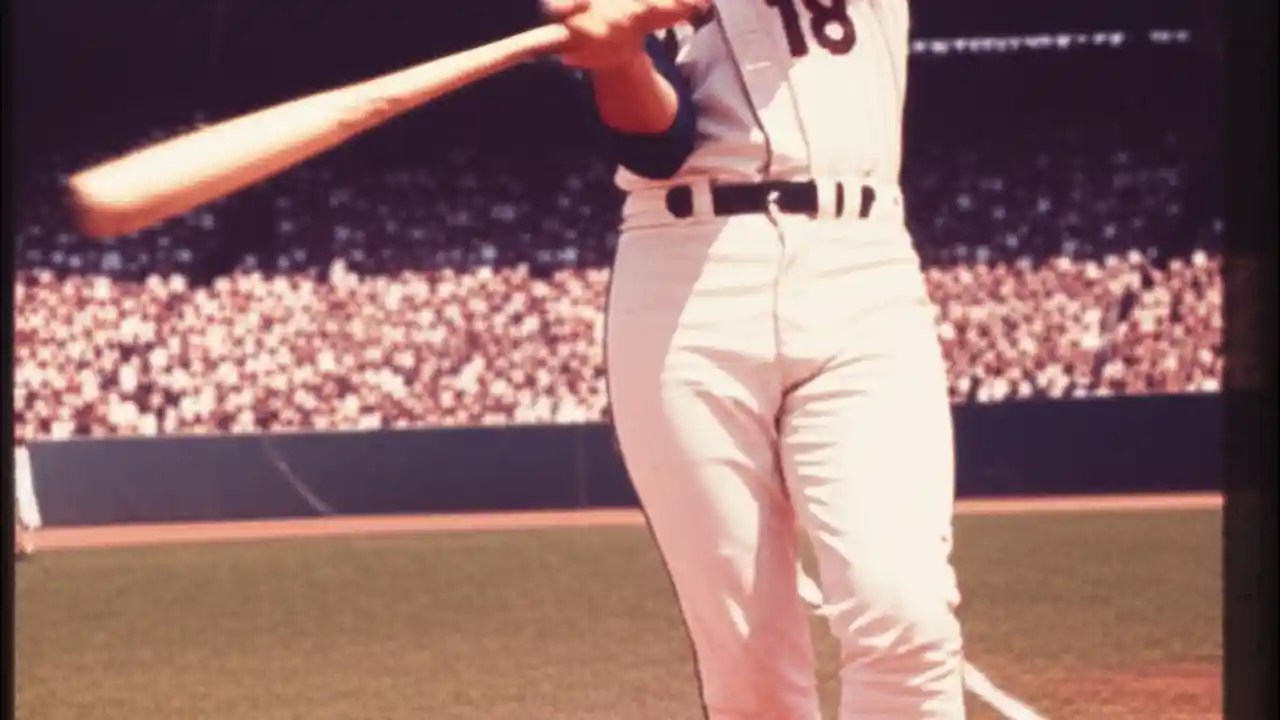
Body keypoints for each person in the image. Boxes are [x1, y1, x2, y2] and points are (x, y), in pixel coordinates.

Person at [542, 0, 966, 717]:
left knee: (907, 613)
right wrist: (620, 58)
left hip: (857, 256)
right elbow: (660, 143)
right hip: (686, 270)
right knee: (750, 668)